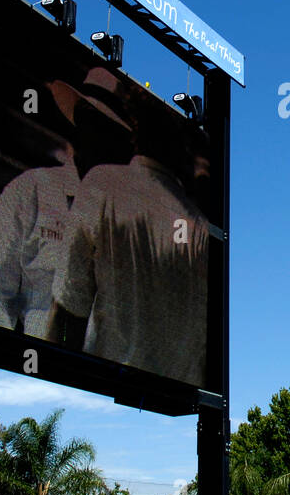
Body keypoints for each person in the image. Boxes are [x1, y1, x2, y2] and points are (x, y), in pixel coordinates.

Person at [0, 67, 132, 340]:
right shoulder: (34, 190)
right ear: (79, 124)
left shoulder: (133, 217)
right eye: (93, 123)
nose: (102, 141)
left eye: (113, 133)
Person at [49, 79, 210, 386]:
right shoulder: (202, 230)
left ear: (135, 128)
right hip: (172, 406)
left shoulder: (102, 185)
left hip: (105, 391)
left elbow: (66, 312)